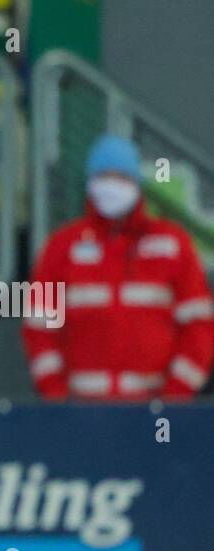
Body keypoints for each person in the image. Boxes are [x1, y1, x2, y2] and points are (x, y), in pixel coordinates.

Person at [23, 134, 213, 400]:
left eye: (121, 177)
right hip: (82, 411)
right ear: (89, 183)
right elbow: (39, 326)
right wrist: (56, 394)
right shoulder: (60, 247)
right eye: (103, 176)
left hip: (155, 411)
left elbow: (200, 326)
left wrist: (174, 396)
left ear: (136, 184)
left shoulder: (173, 244)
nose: (111, 186)